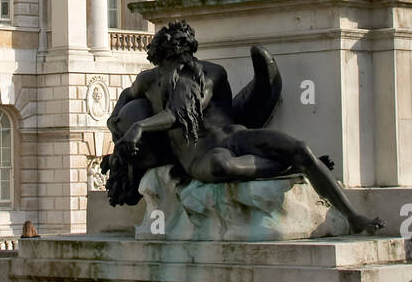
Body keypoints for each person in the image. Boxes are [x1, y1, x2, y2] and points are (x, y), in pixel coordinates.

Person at [105, 20, 382, 235]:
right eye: (174, 60)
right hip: (199, 155)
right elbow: (128, 97)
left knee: (299, 147)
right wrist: (116, 121)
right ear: (161, 60)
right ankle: (288, 168)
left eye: (186, 57)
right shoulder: (148, 81)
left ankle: (353, 216)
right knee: (221, 166)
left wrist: (139, 126)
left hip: (236, 136)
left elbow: (181, 112)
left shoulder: (210, 73)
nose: (183, 64)